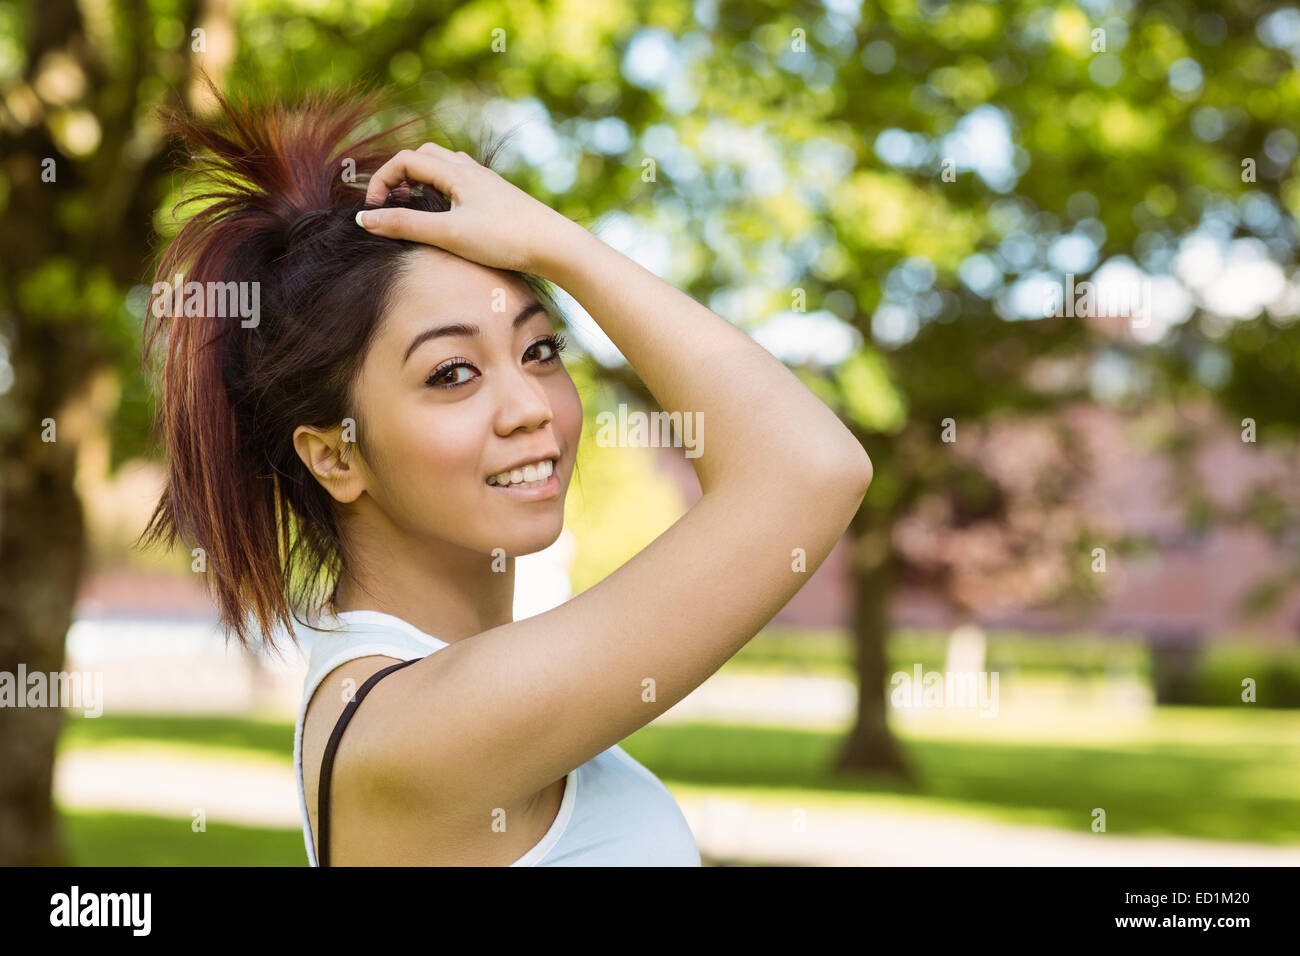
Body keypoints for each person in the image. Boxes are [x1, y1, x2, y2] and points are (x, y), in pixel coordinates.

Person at [139, 75, 873, 866]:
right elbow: (812, 469)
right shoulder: (421, 730)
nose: (529, 405)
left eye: (539, 349)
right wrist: (562, 244)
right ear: (336, 455)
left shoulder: (431, 695)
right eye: (452, 374)